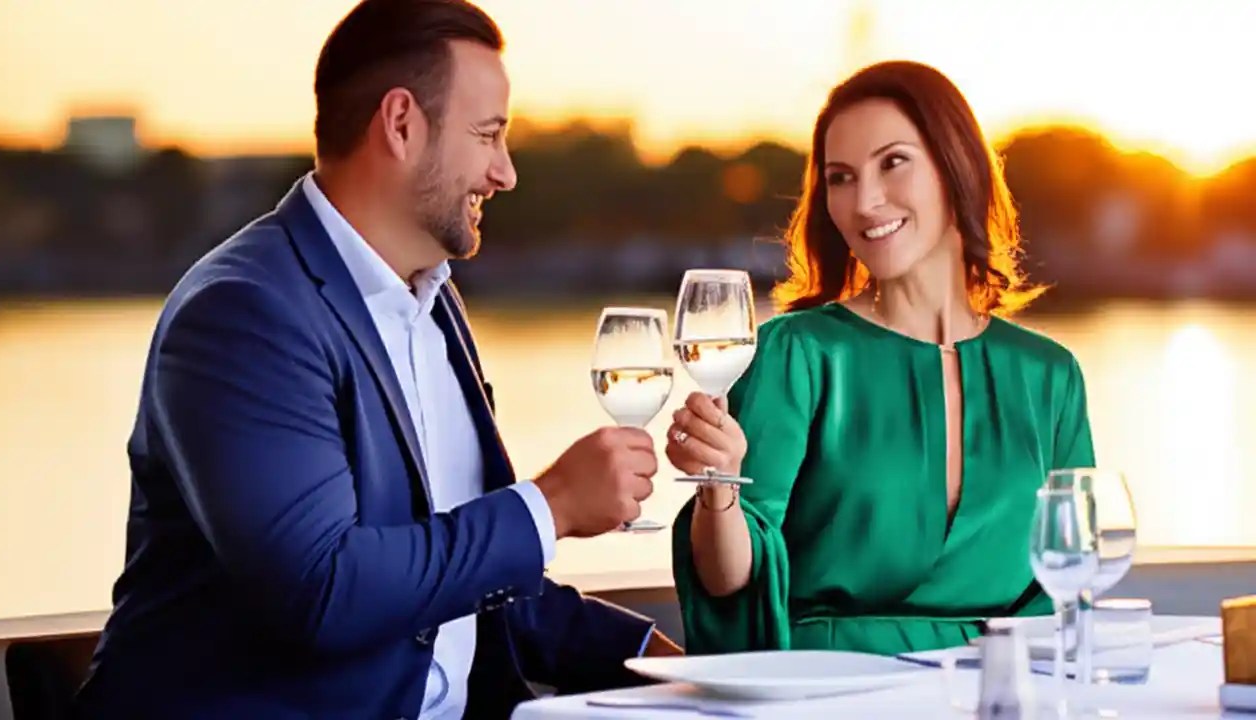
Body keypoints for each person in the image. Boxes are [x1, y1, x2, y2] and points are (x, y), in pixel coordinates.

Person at [72, 1, 681, 717]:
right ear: (400, 124)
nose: (505, 173)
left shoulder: (432, 305)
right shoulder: (242, 312)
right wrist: (550, 506)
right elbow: (321, 590)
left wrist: (667, 666)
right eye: (487, 136)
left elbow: (463, 578)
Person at [665, 60, 1096, 656]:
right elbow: (731, 581)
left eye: (893, 162)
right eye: (841, 177)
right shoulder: (798, 353)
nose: (865, 201)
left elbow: (1072, 582)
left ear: (956, 167)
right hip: (830, 687)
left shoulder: (1051, 377)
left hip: (1004, 686)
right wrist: (720, 489)